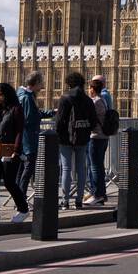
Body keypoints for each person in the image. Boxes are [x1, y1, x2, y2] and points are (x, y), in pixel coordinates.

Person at [54, 72, 99, 210]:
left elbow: (59, 121)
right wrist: (85, 131)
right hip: (83, 138)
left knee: (66, 169)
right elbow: (93, 121)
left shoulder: (65, 98)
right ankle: (79, 200)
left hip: (65, 139)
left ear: (69, 83)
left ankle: (65, 201)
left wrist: (58, 135)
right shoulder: (88, 100)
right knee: (81, 169)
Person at [0, 82, 30, 222]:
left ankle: (23, 209)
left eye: (1, 95)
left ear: (8, 95)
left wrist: (16, 151)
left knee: (9, 182)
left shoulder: (16, 109)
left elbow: (19, 131)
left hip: (10, 151)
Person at [16, 72, 54, 196]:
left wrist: (50, 113)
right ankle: (21, 198)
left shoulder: (23, 95)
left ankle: (19, 197)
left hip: (25, 138)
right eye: (41, 82)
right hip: (29, 139)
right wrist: (42, 115)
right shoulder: (27, 97)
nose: (42, 85)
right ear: (36, 83)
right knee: (28, 169)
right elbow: (29, 119)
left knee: (23, 169)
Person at [85, 75, 114, 206]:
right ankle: (100, 194)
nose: (88, 90)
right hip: (103, 137)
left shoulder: (95, 102)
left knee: (95, 167)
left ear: (92, 89)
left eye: (89, 87)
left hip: (95, 137)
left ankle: (98, 195)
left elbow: (89, 120)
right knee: (99, 167)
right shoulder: (103, 100)